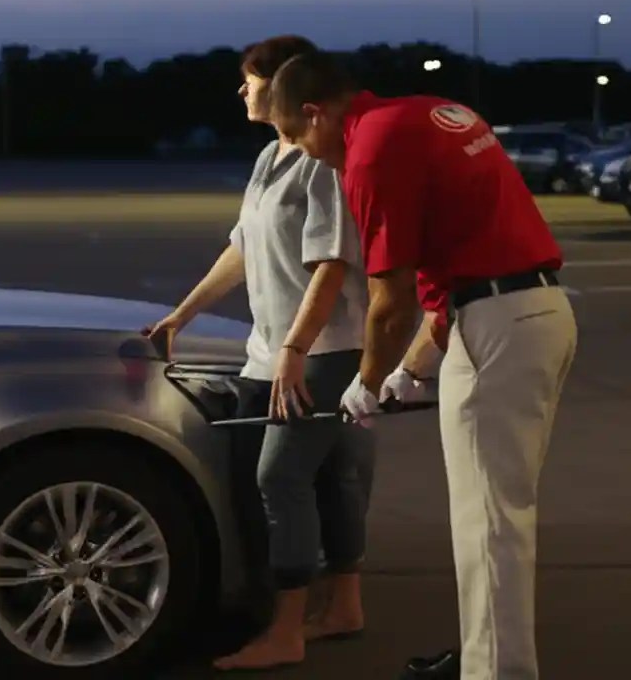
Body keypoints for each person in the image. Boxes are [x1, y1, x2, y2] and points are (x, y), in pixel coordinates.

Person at [267, 51, 578, 680]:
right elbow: (456, 272)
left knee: (489, 525)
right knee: (495, 519)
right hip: (533, 312)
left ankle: (497, 673)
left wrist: (368, 380)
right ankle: (487, 659)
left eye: (294, 137)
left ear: (314, 113)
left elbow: (391, 302)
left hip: (496, 328)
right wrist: (413, 370)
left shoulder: (369, 151)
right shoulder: (431, 114)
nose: (302, 153)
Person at [143, 35, 375, 672]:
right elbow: (244, 250)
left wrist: (298, 348)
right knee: (324, 475)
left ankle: (287, 630)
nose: (241, 90)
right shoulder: (271, 157)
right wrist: (182, 313)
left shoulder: (320, 160)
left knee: (283, 475)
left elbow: (332, 264)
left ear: (282, 86)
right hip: (272, 350)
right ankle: (342, 606)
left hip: (326, 347)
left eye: (249, 79)